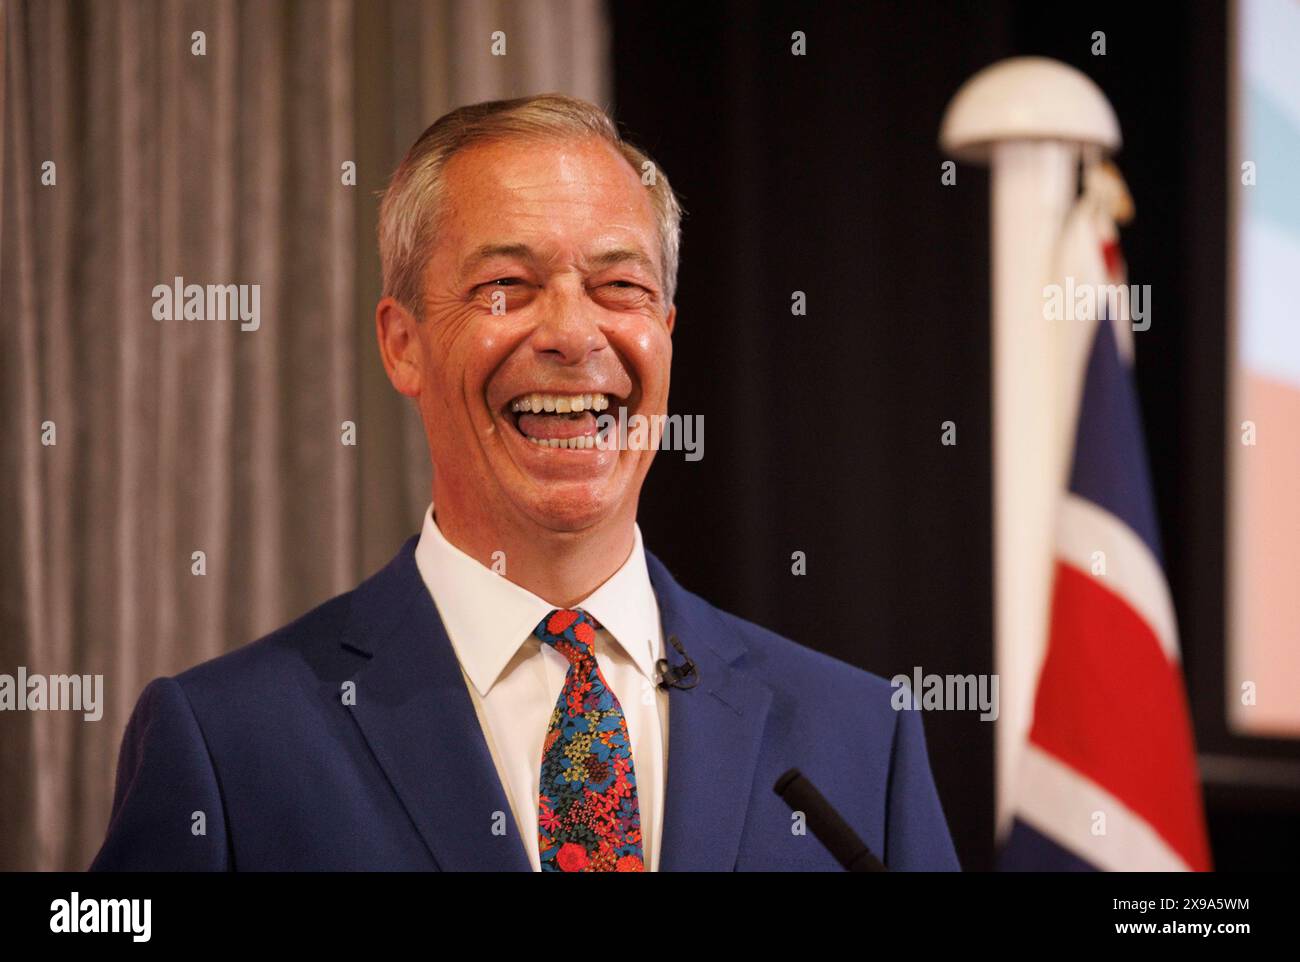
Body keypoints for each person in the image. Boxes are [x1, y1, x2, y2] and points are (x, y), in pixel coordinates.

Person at [91, 93, 960, 872]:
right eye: (507, 286)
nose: (574, 335)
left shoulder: (857, 737)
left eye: (619, 286)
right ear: (403, 343)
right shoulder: (227, 744)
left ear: (665, 331)